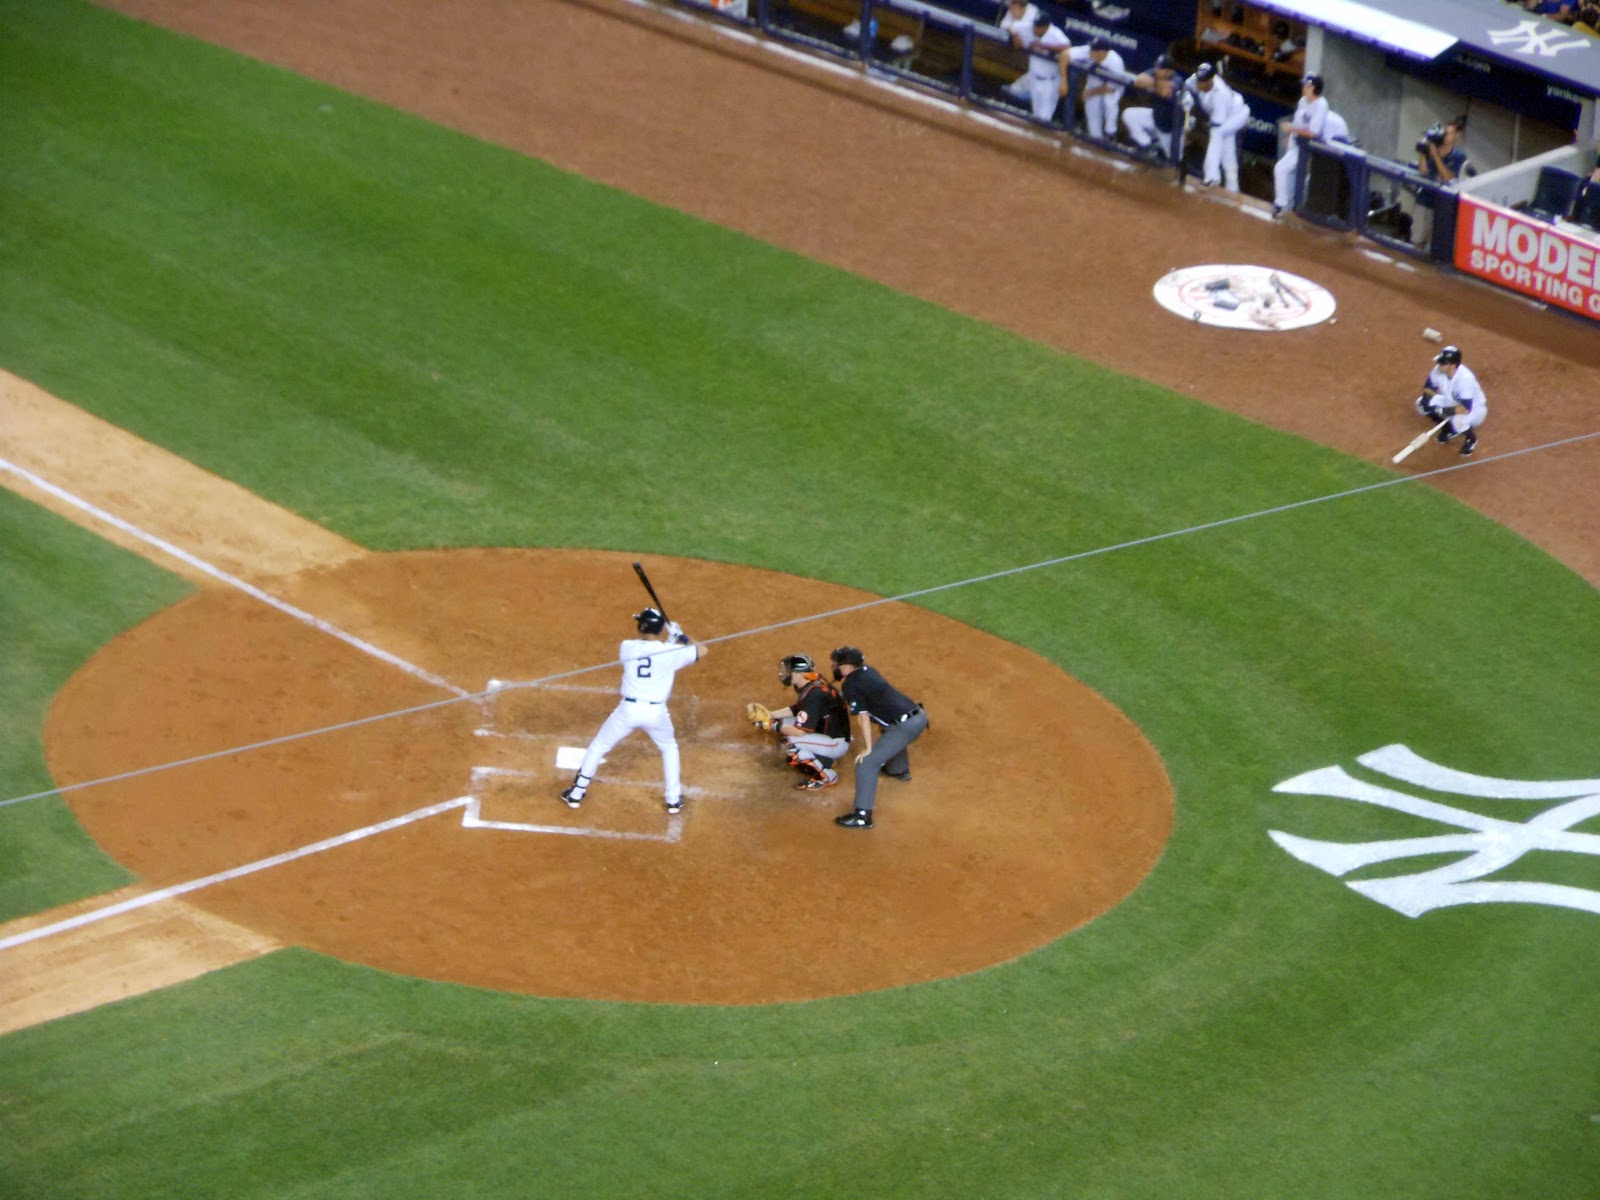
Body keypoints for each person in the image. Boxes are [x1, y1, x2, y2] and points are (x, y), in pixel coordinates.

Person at [559, 607, 704, 814]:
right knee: (669, 748)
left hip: (628, 710)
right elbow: (701, 651)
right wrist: (680, 637)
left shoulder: (626, 647)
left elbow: (650, 655)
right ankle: (673, 800)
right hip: (656, 713)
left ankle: (576, 794)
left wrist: (670, 642)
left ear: (641, 626)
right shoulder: (671, 653)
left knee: (599, 746)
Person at [828, 646, 929, 830]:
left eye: (838, 664)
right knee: (889, 729)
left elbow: (862, 716)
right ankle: (899, 770)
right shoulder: (868, 671)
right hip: (917, 715)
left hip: (906, 726)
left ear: (849, 667)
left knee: (866, 763)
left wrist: (868, 748)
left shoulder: (851, 684)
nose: (835, 666)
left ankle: (862, 816)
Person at [759, 654, 852, 791]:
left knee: (789, 746)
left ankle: (827, 776)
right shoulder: (813, 683)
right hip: (827, 730)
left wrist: (772, 725)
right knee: (784, 722)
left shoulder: (814, 695)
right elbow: (798, 708)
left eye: (790, 672)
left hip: (835, 742)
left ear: (800, 674)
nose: (785, 674)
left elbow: (798, 732)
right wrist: (770, 715)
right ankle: (825, 759)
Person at [1412, 344, 1487, 457]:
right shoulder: (1438, 370)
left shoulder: (1465, 379)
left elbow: (1465, 408)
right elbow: (1428, 387)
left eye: (1443, 363)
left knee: (1458, 421)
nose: (1439, 364)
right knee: (1421, 404)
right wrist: (1428, 401)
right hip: (1451, 401)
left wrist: (1442, 410)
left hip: (1475, 410)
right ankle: (1448, 430)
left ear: (1453, 365)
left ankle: (1471, 439)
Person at [1273, 74, 1329, 217]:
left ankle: (1282, 205)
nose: (1304, 88)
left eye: (1307, 86)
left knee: (1282, 170)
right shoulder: (1303, 101)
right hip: (1297, 143)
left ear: (1314, 89)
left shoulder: (1321, 105)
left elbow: (1313, 133)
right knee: (1287, 173)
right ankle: (1286, 206)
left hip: (1309, 148)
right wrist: (1290, 136)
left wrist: (1291, 129)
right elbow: (1298, 123)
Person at [1188, 62, 1250, 191]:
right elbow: (1186, 86)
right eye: (1199, 79)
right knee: (1228, 149)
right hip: (1226, 116)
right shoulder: (1195, 81)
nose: (1200, 82)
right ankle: (1233, 187)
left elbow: (1216, 125)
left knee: (1217, 134)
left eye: (1203, 80)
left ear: (1211, 80)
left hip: (1237, 114)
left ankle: (1212, 177)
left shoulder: (1220, 94)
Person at [1121, 55, 1187, 162]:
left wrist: (1152, 84)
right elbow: (1138, 81)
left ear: (1169, 71)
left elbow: (1166, 92)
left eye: (1161, 69)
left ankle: (1158, 146)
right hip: (1155, 118)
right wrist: (1158, 84)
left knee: (1175, 161)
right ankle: (1148, 146)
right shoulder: (1155, 73)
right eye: (1157, 67)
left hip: (1171, 130)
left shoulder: (1178, 80)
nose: (1156, 70)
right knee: (1128, 114)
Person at [1020, 11, 1071, 124]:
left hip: (1049, 83)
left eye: (1038, 27)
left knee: (1044, 119)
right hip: (1034, 79)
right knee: (1036, 116)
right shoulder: (1029, 28)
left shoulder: (1055, 34)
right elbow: (1012, 27)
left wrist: (1043, 46)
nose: (1035, 29)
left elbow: (1067, 48)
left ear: (1046, 26)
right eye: (1035, 25)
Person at [1078, 37, 1126, 142]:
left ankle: (1110, 133)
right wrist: (1089, 91)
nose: (1091, 51)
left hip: (1113, 90)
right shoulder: (1089, 54)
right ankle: (1096, 141)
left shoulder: (1115, 62)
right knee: (1093, 121)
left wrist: (1090, 92)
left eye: (1094, 49)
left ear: (1103, 52)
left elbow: (1111, 88)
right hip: (1094, 85)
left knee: (1109, 100)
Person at [997, 0, 1041, 103]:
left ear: (1017, 5)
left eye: (1012, 5)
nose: (1009, 8)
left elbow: (1030, 40)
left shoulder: (1033, 14)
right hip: (1028, 59)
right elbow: (1004, 26)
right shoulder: (1013, 11)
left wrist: (1016, 34)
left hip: (1044, 56)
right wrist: (1015, 34)